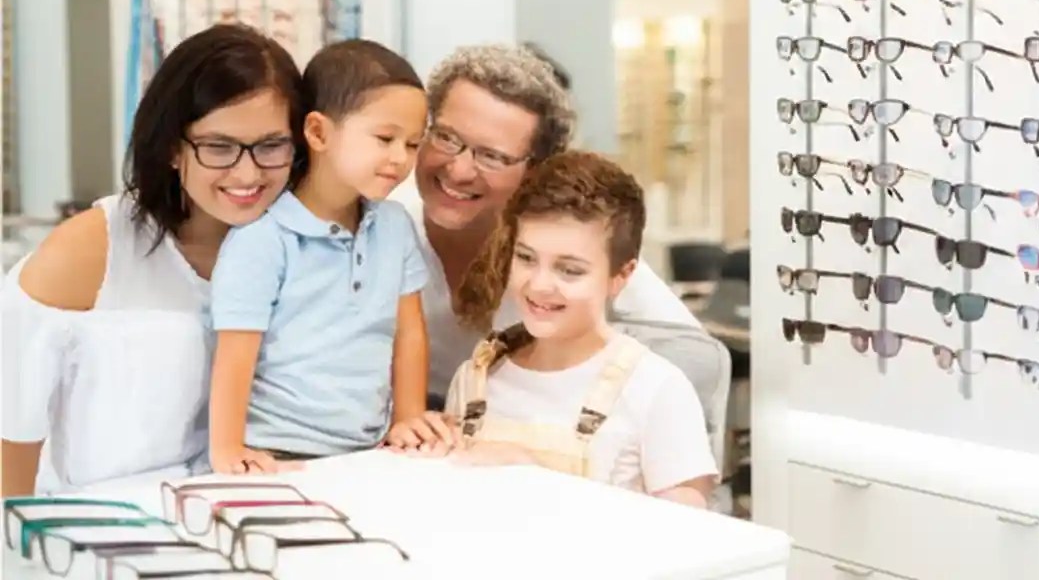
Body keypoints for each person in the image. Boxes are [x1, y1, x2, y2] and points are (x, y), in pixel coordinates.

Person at [1, 24, 307, 496]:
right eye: (218, 147)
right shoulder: (89, 250)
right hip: (99, 538)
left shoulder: (307, 249)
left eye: (271, 146)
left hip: (251, 521)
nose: (247, 173)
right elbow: (11, 427)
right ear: (171, 147)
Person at [387, 45, 701, 409]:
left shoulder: (567, 248)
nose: (458, 170)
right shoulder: (383, 231)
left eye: (493, 156)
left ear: (534, 170)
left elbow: (695, 357)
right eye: (446, 137)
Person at [443, 151, 719, 508]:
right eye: (526, 258)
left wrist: (534, 473)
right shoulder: (475, 377)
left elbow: (690, 539)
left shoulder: (657, 389)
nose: (539, 285)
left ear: (621, 276)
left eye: (569, 270)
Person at [207, 40, 434, 474]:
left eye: (412, 144)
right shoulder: (264, 238)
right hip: (276, 453)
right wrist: (227, 448)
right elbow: (235, 352)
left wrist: (408, 417)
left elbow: (409, 334)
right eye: (385, 138)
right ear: (318, 133)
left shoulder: (394, 225)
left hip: (367, 454)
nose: (400, 158)